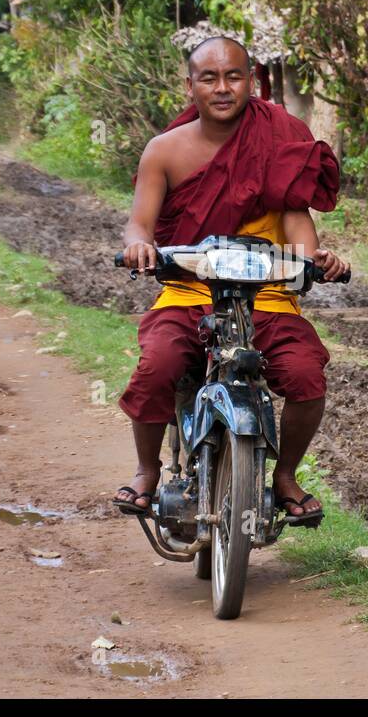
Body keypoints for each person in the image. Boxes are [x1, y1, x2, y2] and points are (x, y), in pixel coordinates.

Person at [114, 36, 349, 525]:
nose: (223, 88)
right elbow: (140, 222)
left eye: (234, 76)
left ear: (253, 81)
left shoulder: (281, 137)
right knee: (158, 364)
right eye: (209, 78)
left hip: (265, 296)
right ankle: (146, 470)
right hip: (189, 291)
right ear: (190, 85)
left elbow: (296, 220)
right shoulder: (164, 151)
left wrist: (314, 260)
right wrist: (139, 245)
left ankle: (284, 475)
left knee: (306, 375)